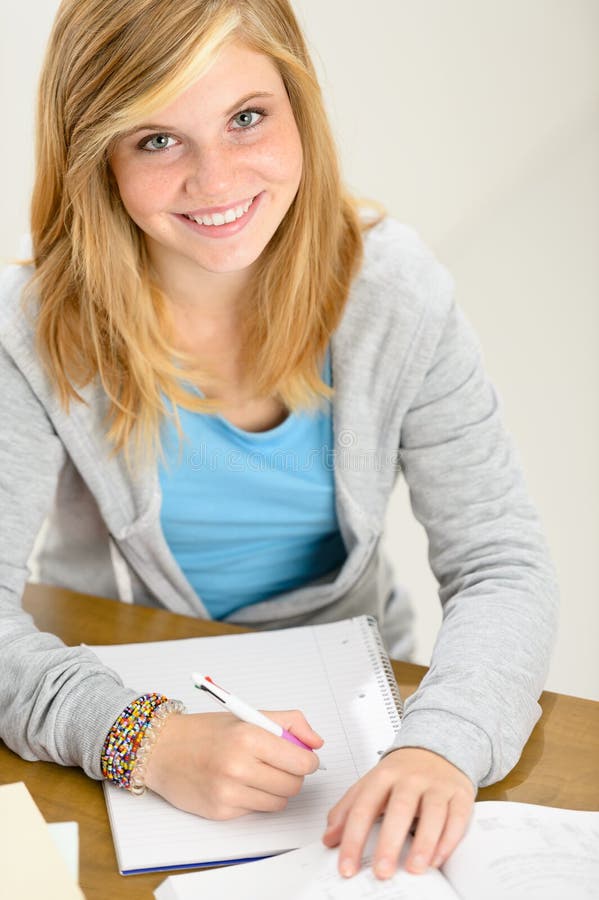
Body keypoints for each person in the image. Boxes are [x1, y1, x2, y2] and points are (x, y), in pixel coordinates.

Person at [0, 0, 558, 882]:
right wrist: (140, 738)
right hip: (120, 691)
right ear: (94, 157)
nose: (215, 180)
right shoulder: (34, 334)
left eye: (246, 117)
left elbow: (501, 562)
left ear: (300, 108)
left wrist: (442, 746)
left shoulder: (397, 296)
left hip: (357, 701)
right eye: (155, 139)